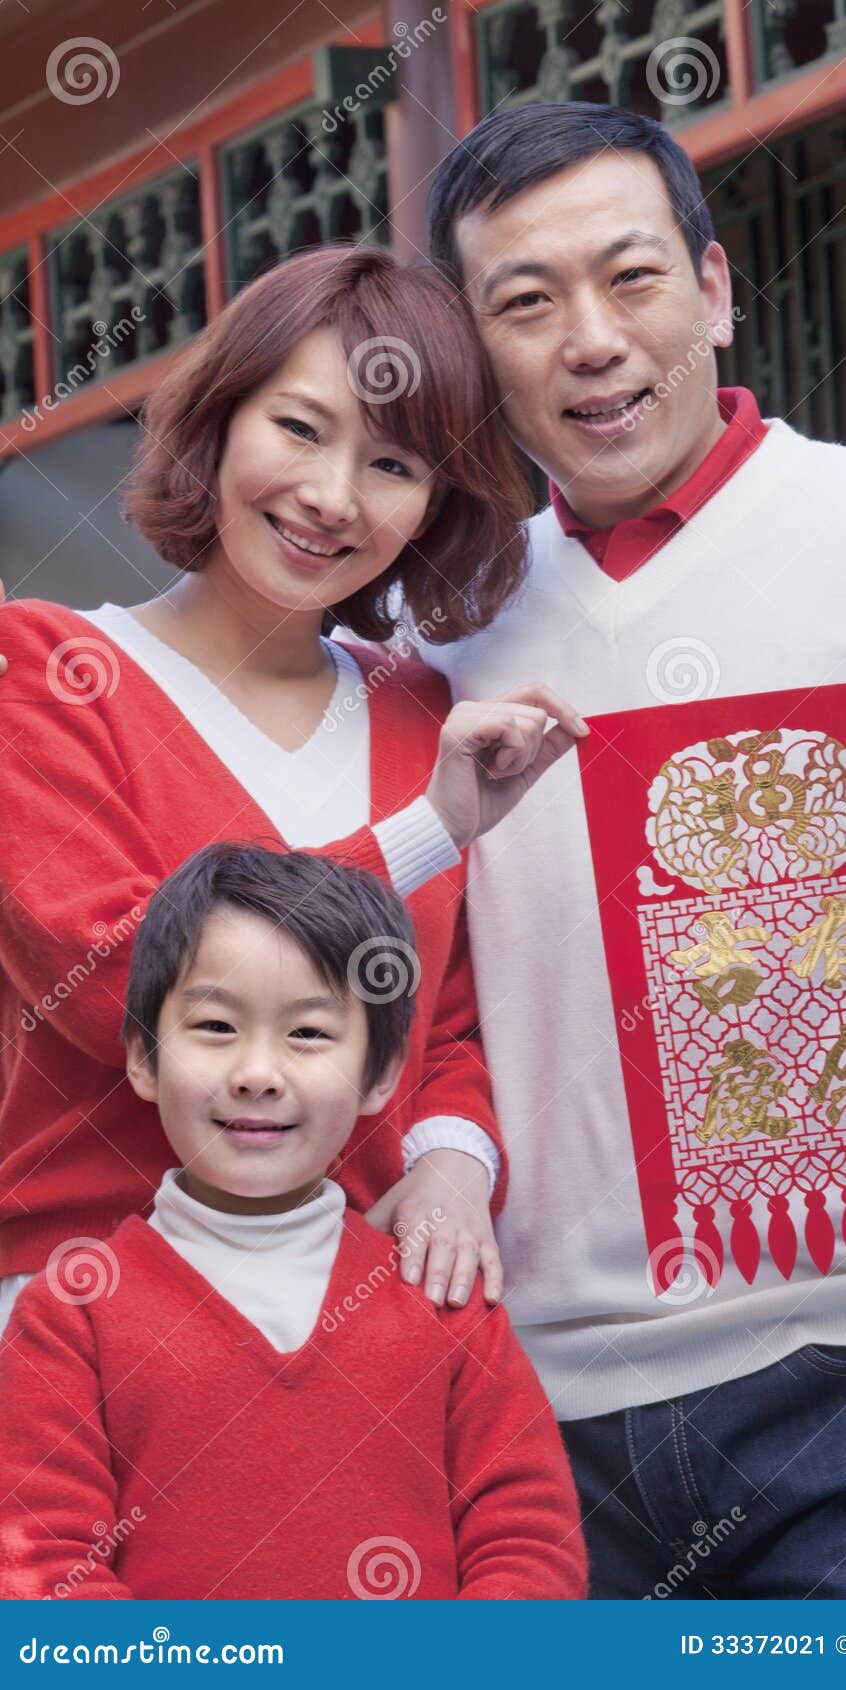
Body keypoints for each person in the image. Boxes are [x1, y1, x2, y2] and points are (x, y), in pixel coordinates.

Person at [402, 103, 846, 1598]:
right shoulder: (442, 625)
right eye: (525, 302)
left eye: (630, 276)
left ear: (711, 288)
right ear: (473, 349)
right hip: (534, 1408)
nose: (590, 340)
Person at [0, 242, 586, 1336]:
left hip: (342, 1328)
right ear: (220, 420)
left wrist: (452, 1162)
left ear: (434, 506)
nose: (331, 497)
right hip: (83, 1321)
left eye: (393, 465)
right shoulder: (47, 671)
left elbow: (444, 1027)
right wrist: (425, 832)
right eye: (301, 428)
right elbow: (116, 978)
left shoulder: (419, 713)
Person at [0, 843, 587, 1600]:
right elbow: (44, 1566)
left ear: (380, 1075)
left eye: (307, 1034)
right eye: (216, 1026)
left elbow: (528, 1539)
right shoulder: (71, 1312)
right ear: (144, 1057)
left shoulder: (438, 1292)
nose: (257, 1073)